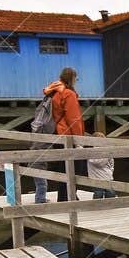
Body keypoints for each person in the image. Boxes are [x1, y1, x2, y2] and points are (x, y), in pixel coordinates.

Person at [34, 67, 84, 202]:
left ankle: (64, 196)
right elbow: (73, 118)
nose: (76, 81)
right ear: (72, 79)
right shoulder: (68, 94)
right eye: (76, 78)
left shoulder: (53, 91)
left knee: (63, 166)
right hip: (66, 133)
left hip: (55, 133)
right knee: (76, 166)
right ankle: (69, 196)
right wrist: (79, 139)